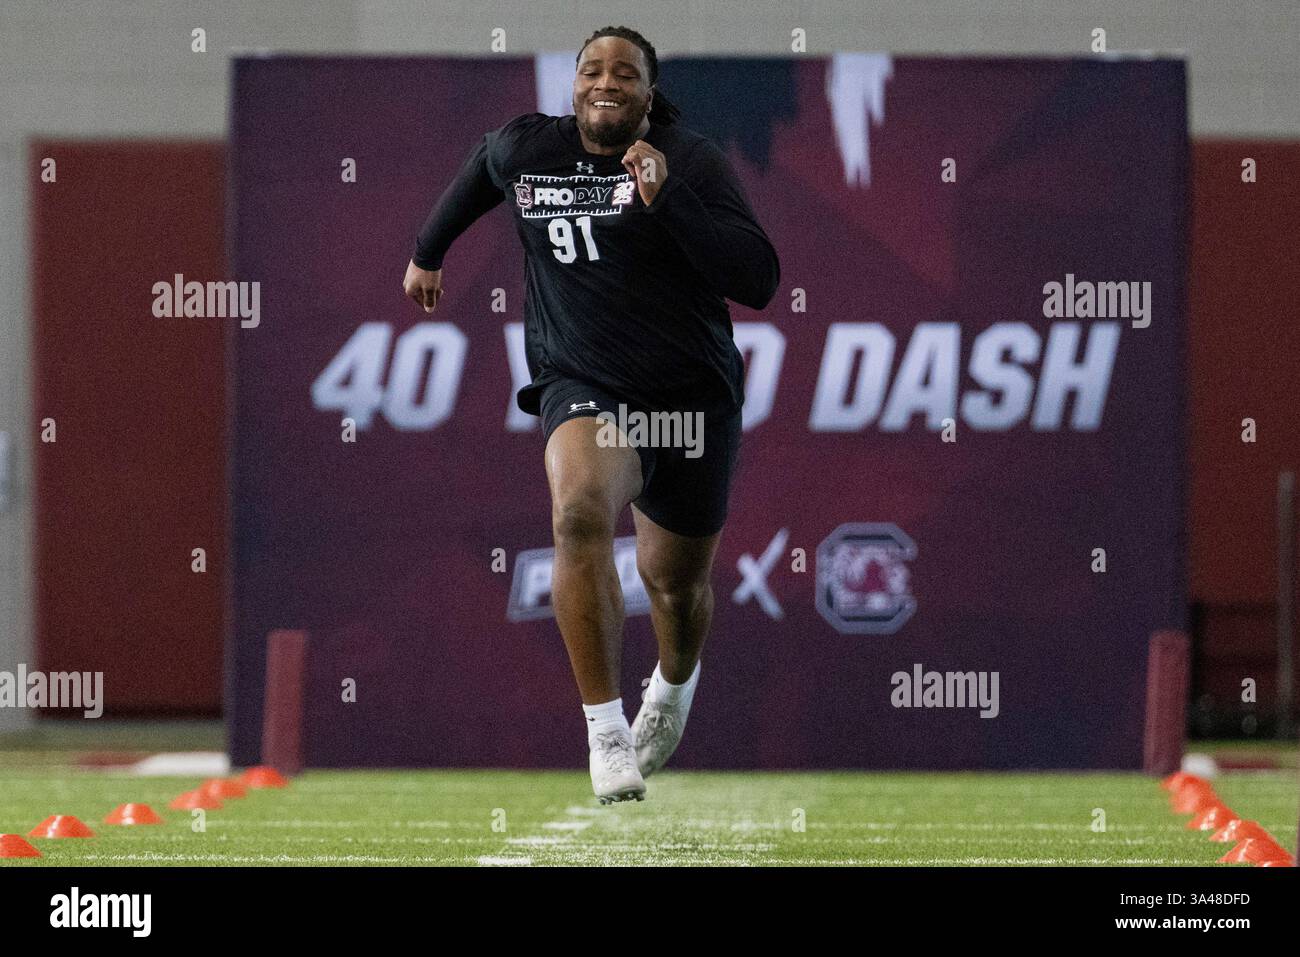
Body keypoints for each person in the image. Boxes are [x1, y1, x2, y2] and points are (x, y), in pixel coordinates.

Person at [403, 25, 779, 803]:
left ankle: (671, 689)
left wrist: (666, 197)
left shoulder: (692, 161)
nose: (606, 83)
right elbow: (482, 164)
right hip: (585, 382)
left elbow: (759, 278)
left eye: (626, 74)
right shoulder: (529, 149)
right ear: (574, 85)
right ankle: (604, 729)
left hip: (688, 402)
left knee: (673, 584)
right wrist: (428, 249)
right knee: (577, 512)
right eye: (591, 70)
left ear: (649, 95)